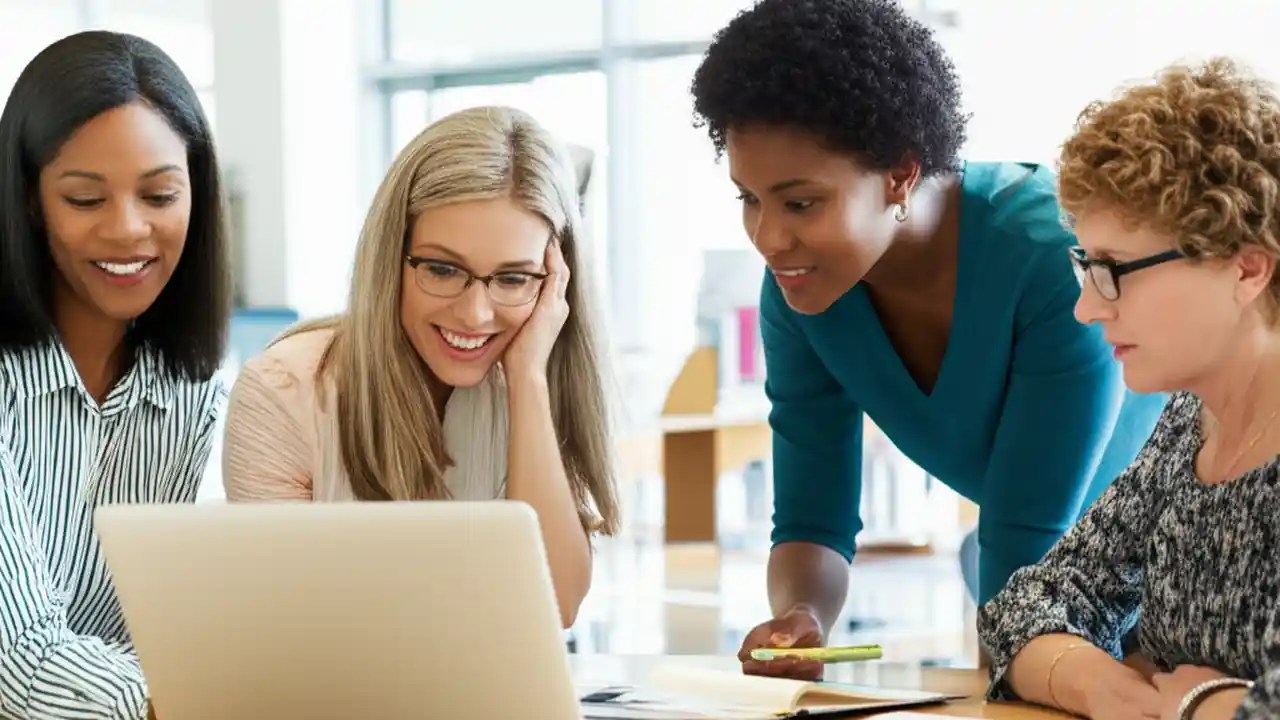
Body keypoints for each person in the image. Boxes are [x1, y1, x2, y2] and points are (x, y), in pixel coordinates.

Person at [688, 0, 1169, 679]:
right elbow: (811, 517)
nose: (768, 238)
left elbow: (1027, 549)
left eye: (800, 203)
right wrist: (804, 615)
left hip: (1186, 574)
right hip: (1044, 591)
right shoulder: (803, 293)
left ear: (899, 175)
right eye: (748, 199)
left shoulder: (1051, 262)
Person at [221, 106, 620, 629]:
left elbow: (556, 606)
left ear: (553, 282)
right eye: (441, 269)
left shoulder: (532, 374)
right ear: (393, 257)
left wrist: (527, 381)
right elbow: (282, 624)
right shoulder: (284, 392)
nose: (475, 314)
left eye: (513, 278)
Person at [979, 57, 1280, 720]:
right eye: (1085, 265)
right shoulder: (1186, 425)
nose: (1087, 308)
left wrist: (1200, 704)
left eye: (1114, 270)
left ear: (1247, 267)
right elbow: (1026, 604)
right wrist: (1097, 684)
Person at [0, 31, 229, 719]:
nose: (130, 231)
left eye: (160, 196)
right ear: (32, 202)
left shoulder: (187, 394)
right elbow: (19, 666)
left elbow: (155, 630)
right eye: (85, 199)